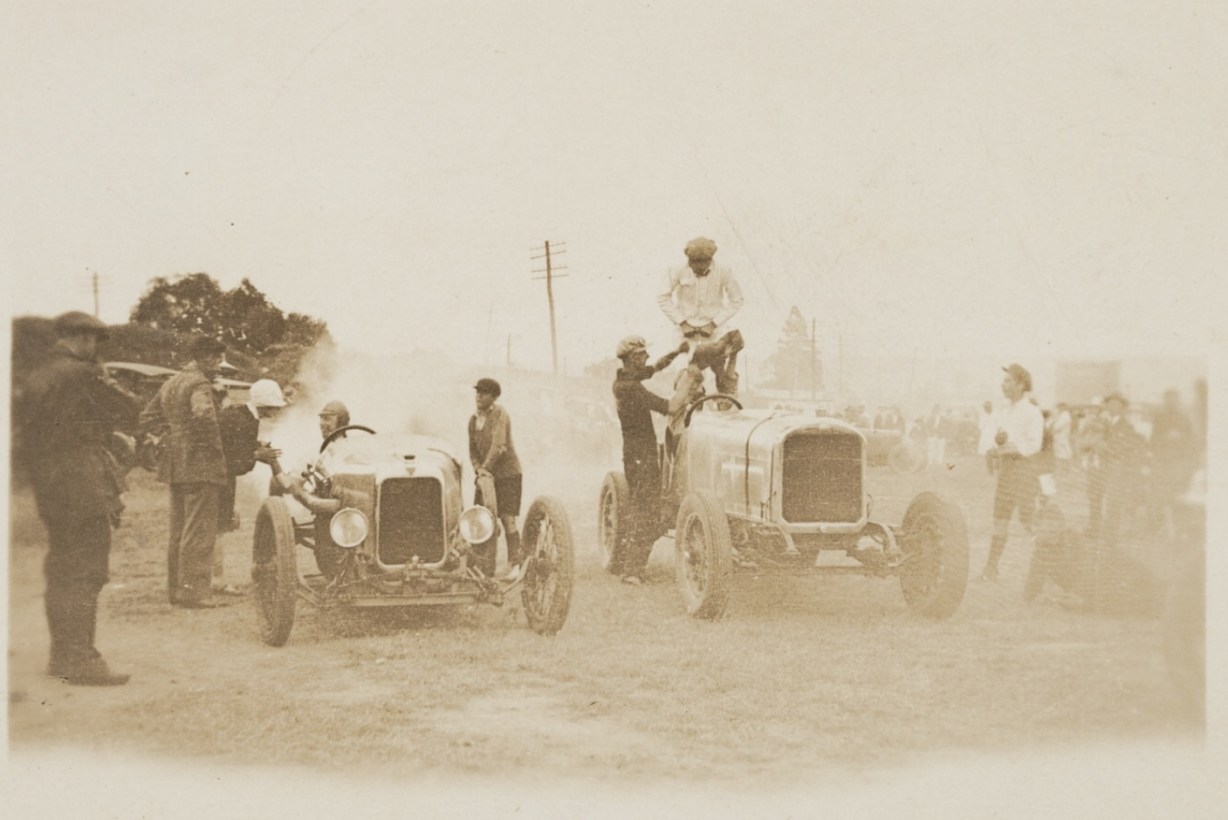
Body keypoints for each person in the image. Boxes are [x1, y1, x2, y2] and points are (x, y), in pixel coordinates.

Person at [17, 312, 140, 685]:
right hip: (80, 482)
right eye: (95, 341)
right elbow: (127, 409)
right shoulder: (81, 373)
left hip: (49, 483)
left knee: (61, 566)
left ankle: (61, 654)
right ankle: (82, 659)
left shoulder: (37, 375)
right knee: (86, 570)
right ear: (83, 338)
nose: (97, 348)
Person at [140, 334, 232, 608]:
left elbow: (147, 417)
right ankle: (194, 594)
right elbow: (204, 415)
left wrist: (171, 438)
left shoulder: (171, 382)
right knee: (200, 529)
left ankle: (177, 591)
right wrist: (215, 452)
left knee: (178, 529)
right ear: (204, 357)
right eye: (216, 358)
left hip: (175, 464)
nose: (219, 365)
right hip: (200, 464)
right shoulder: (199, 383)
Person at [611, 335, 682, 585]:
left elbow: (653, 369)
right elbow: (671, 407)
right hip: (641, 456)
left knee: (645, 509)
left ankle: (625, 563)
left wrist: (676, 352)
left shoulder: (625, 379)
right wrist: (691, 384)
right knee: (649, 512)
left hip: (638, 454)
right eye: (642, 355)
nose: (647, 358)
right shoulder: (630, 388)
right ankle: (632, 570)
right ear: (632, 359)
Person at [215, 379, 286, 591]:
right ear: (265, 405)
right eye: (273, 407)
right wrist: (256, 454)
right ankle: (217, 580)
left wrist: (255, 448)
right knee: (218, 528)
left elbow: (236, 446)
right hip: (220, 477)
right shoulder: (241, 419)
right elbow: (230, 457)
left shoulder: (243, 415)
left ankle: (215, 579)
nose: (275, 411)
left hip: (223, 477)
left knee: (220, 526)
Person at [979, 363, 1044, 581]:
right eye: (1003, 381)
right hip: (1006, 472)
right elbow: (992, 437)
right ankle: (991, 569)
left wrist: (1008, 449)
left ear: (1021, 384)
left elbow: (1034, 445)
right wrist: (992, 449)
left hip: (1025, 471)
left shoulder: (1032, 412)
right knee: (1000, 520)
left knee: (1028, 521)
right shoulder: (1003, 411)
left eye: (1008, 381)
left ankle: (1051, 567)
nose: (1003, 385)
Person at [657, 236, 744, 395]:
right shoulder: (677, 269)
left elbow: (736, 299)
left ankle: (725, 395)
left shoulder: (724, 270)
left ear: (711, 259)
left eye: (703, 261)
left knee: (730, 352)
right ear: (688, 259)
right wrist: (682, 322)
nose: (698, 266)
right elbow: (663, 297)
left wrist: (714, 323)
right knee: (687, 376)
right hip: (684, 327)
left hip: (714, 327)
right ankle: (693, 398)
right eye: (694, 261)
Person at [468, 378, 524, 580]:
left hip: (507, 474)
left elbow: (499, 446)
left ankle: (515, 564)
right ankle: (483, 566)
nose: (479, 396)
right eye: (477, 392)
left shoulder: (500, 414)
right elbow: (472, 451)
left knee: (508, 519)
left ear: (493, 397)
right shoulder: (473, 420)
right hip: (486, 477)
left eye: (483, 393)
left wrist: (485, 469)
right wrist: (478, 469)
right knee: (481, 520)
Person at [1088, 392, 1146, 551]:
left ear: (1123, 408)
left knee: (1113, 505)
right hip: (1097, 468)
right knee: (1094, 500)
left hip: (1115, 470)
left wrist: (1107, 448)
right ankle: (1094, 531)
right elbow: (1088, 440)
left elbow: (1126, 448)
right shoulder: (1101, 422)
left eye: (1117, 405)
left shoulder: (1127, 427)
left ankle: (1110, 538)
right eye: (1110, 404)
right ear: (1105, 406)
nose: (1112, 407)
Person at [977, 400, 999, 474]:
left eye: (988, 407)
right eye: (985, 407)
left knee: (997, 453)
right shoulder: (983, 417)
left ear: (991, 407)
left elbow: (999, 426)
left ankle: (997, 467)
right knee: (987, 454)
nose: (986, 409)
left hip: (995, 436)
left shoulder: (996, 415)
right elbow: (980, 427)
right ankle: (990, 471)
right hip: (986, 437)